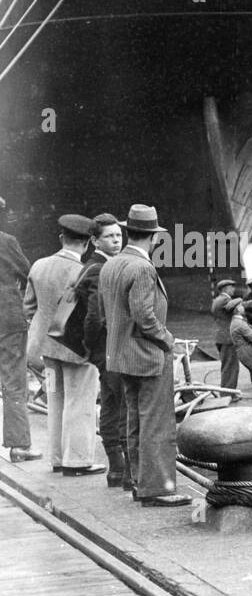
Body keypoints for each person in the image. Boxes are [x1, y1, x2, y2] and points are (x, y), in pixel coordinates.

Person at [99, 204, 189, 507]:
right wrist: (168, 340)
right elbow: (144, 315)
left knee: (135, 419)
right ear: (152, 237)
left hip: (122, 357)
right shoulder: (143, 268)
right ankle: (158, 488)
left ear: (128, 231)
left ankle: (139, 481)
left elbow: (105, 314)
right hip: (149, 356)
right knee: (157, 423)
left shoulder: (111, 264)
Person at [24, 214, 104, 475]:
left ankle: (57, 459)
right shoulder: (85, 272)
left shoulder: (38, 266)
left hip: (44, 350)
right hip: (76, 350)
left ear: (61, 238)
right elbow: (93, 316)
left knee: (55, 402)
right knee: (79, 403)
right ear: (88, 243)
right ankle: (78, 461)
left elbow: (29, 308)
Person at [76, 215, 130, 488]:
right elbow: (95, 316)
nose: (117, 240)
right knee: (121, 404)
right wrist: (93, 345)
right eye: (110, 236)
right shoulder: (99, 268)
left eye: (119, 235)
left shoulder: (94, 265)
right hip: (109, 348)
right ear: (95, 240)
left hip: (103, 350)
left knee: (110, 404)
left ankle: (116, 469)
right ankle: (126, 470)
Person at [0, 198, 40, 462]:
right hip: (7, 319)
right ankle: (19, 446)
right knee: (13, 382)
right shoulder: (6, 241)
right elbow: (30, 274)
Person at [211, 278, 242, 397]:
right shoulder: (225, 299)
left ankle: (227, 393)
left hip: (221, 337)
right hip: (227, 338)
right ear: (226, 289)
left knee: (228, 366)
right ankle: (228, 395)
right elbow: (230, 307)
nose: (234, 289)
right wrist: (241, 299)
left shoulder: (217, 300)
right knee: (231, 366)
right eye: (231, 287)